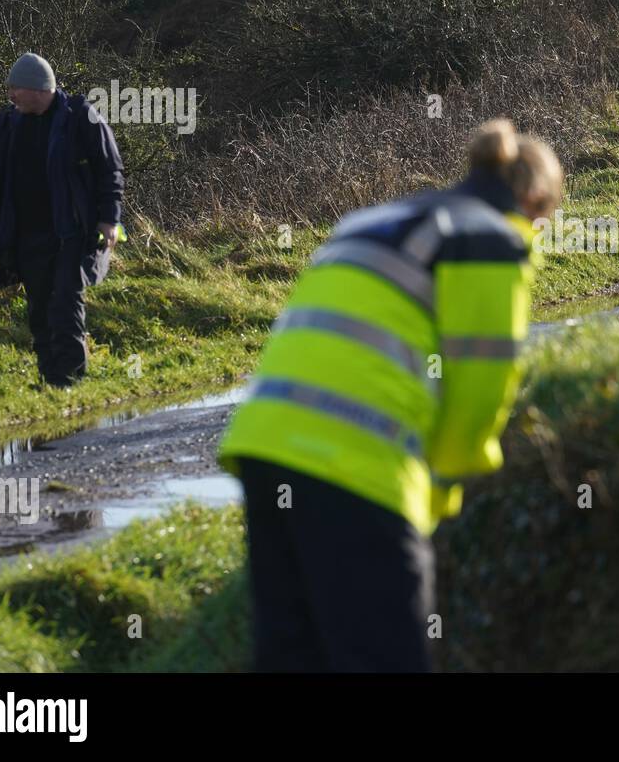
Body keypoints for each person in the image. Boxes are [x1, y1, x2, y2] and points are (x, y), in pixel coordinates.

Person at [216, 117, 564, 672]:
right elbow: (478, 396)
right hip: (356, 464)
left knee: (291, 656)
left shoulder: (372, 218)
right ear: (537, 203)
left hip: (264, 447)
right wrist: (445, 487)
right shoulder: (490, 239)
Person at [0, 53, 124, 388]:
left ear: (37, 88)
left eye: (15, 88)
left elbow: (110, 170)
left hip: (70, 232)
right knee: (38, 310)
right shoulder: (10, 121)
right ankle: (50, 379)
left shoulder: (80, 117)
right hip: (27, 234)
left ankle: (70, 380)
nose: (10, 95)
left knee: (64, 303)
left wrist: (109, 220)